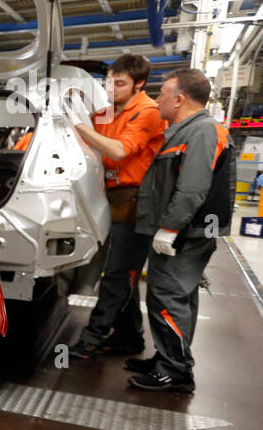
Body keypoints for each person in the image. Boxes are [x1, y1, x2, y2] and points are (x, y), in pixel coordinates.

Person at [126, 69, 234, 392]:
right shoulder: (185, 131)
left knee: (166, 296)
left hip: (188, 233)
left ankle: (174, 370)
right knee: (179, 297)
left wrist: (169, 229)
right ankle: (169, 357)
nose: (157, 100)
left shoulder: (201, 131)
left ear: (180, 99)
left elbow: (192, 189)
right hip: (187, 231)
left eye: (162, 94)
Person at [67, 54, 164, 360]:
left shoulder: (148, 111)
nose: (111, 88)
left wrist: (79, 126)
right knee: (124, 276)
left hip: (136, 200)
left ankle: (91, 338)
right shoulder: (107, 110)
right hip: (108, 198)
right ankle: (130, 337)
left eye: (120, 83)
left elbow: (120, 150)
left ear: (140, 83)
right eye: (109, 81)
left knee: (117, 274)